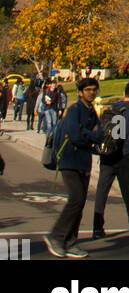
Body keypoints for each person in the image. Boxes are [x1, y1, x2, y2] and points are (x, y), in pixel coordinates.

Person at [44, 77, 104, 259]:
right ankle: (56, 236)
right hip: (69, 160)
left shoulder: (92, 111)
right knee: (76, 199)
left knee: (81, 202)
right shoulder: (74, 110)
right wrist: (90, 135)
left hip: (84, 161)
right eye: (88, 90)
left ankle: (70, 242)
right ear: (80, 92)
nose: (92, 93)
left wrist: (89, 134)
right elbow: (75, 135)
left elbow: (100, 133)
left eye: (95, 89)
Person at [92, 80, 129, 239]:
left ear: (125, 93)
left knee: (102, 191)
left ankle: (97, 228)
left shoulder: (109, 110)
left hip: (107, 155)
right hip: (124, 157)